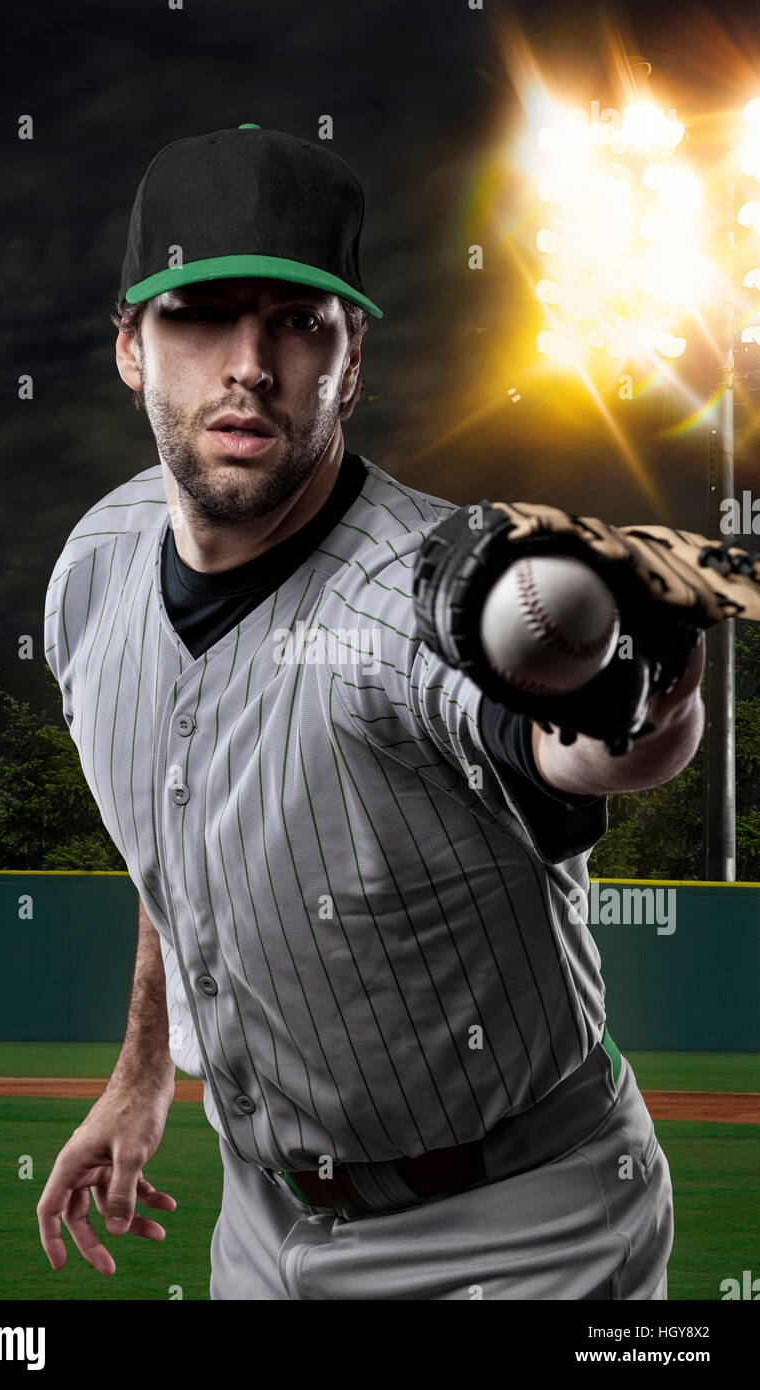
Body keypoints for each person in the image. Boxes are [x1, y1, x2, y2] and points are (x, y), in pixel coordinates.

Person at [38, 124, 703, 1300]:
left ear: (354, 364)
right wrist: (144, 1072)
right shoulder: (93, 571)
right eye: (199, 312)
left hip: (518, 1239)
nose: (247, 362)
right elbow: (170, 852)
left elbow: (584, 744)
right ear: (131, 347)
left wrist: (640, 689)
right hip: (259, 1226)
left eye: (298, 321)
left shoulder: (421, 593)